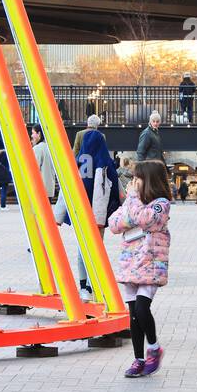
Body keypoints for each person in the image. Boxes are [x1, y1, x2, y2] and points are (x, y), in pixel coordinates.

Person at [108, 160, 173, 378]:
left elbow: (147, 220)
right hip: (130, 264)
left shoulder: (160, 204)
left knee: (143, 309)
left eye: (137, 178)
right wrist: (131, 211)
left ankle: (154, 349)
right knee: (133, 314)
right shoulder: (133, 203)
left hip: (150, 264)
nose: (133, 183)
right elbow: (114, 223)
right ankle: (138, 359)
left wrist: (133, 204)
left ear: (150, 180)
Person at [56, 116, 120, 294]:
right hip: (97, 213)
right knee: (96, 246)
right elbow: (115, 186)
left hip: (79, 210)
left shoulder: (77, 163)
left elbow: (65, 188)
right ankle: (94, 282)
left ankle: (83, 285)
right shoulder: (104, 161)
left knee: (81, 246)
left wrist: (59, 215)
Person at [31, 125, 57, 202]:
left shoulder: (38, 148)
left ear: (39, 134)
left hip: (40, 188)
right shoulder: (50, 147)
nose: (31, 135)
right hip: (50, 186)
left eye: (33, 133)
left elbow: (34, 168)